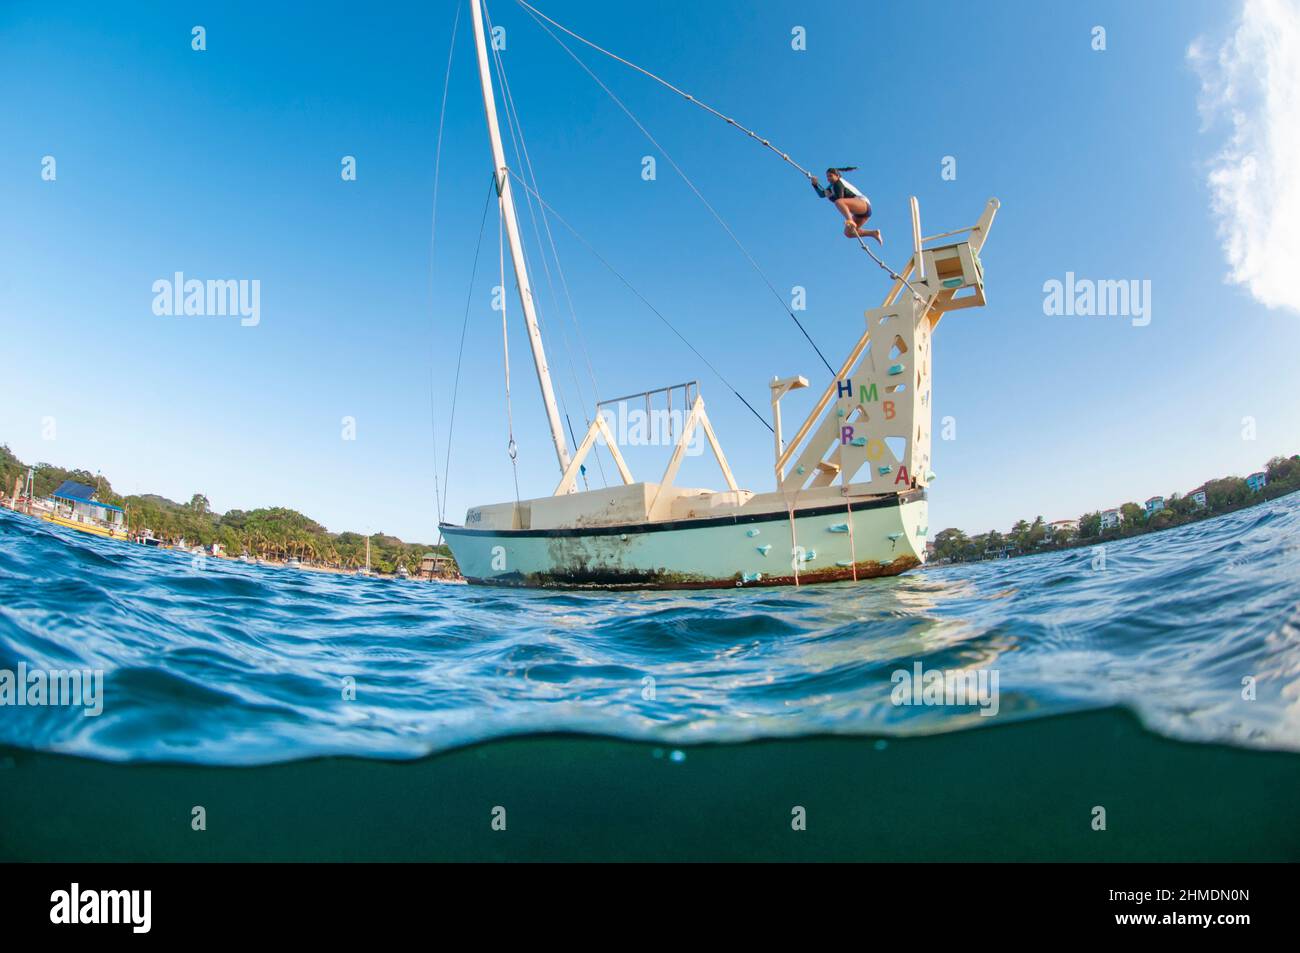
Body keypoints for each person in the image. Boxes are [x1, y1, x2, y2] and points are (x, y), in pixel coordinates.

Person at [810, 166, 882, 244]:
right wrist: (815, 185)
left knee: (839, 202)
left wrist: (830, 197)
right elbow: (822, 194)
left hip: (863, 204)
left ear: (837, 176)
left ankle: (850, 220)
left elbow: (840, 199)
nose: (828, 178)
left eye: (830, 176)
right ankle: (873, 233)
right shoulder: (832, 186)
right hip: (861, 214)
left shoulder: (839, 183)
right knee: (848, 233)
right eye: (827, 177)